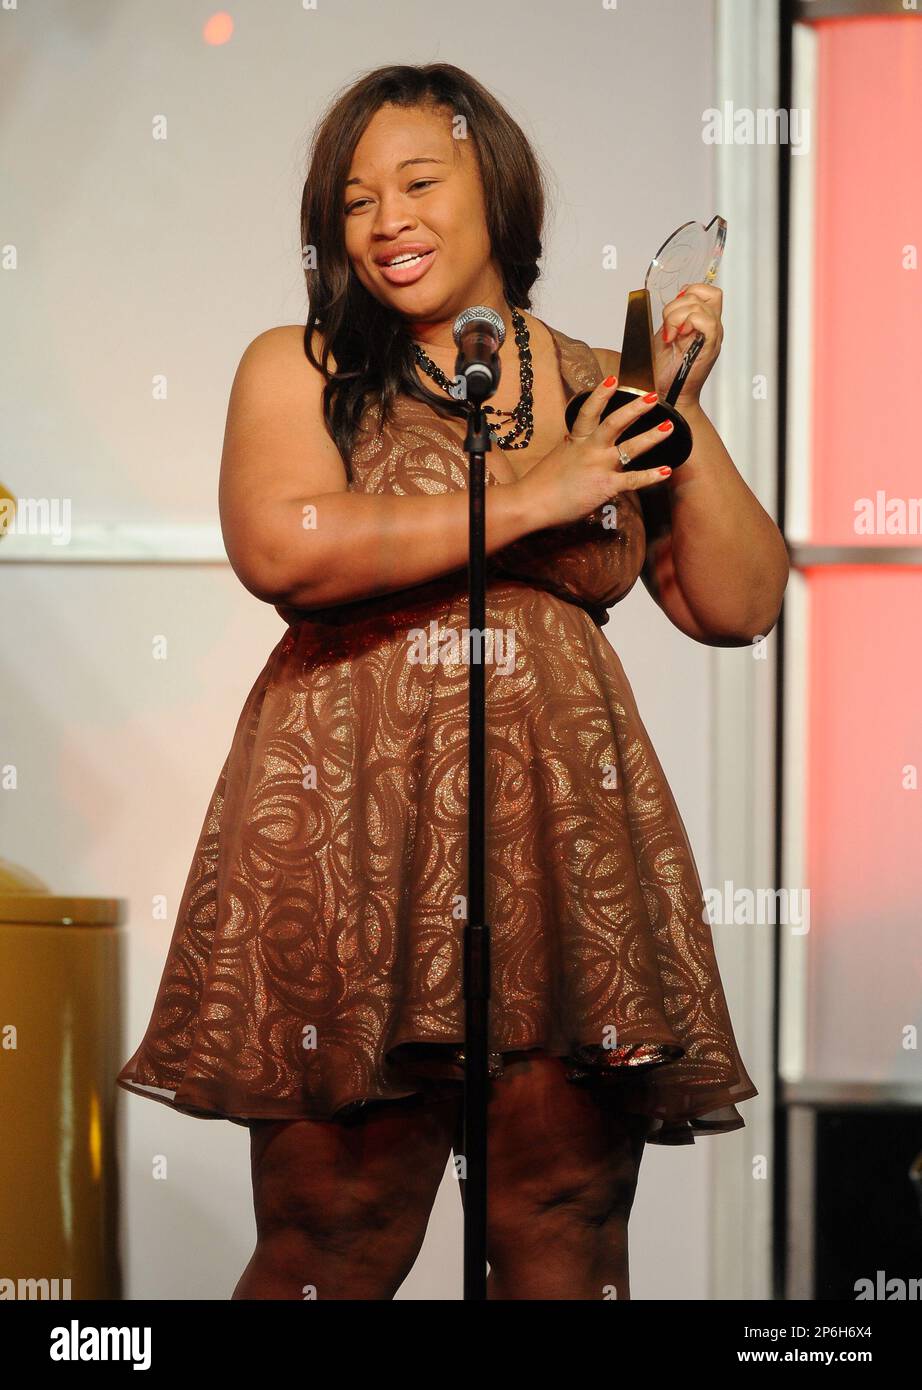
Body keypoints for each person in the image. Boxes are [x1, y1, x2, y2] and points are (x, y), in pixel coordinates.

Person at [116, 62, 789, 1301]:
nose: (387, 220)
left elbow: (736, 603)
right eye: (356, 199)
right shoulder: (302, 361)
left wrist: (672, 416)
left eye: (418, 182)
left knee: (568, 1209)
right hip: (349, 826)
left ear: (499, 192)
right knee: (336, 1229)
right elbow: (285, 542)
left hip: (558, 834)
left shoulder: (603, 378)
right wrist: (543, 492)